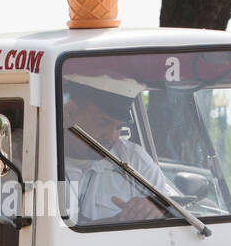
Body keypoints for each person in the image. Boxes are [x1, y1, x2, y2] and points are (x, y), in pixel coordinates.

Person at [62, 81, 176, 224]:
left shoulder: (134, 160)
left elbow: (169, 212)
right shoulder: (37, 157)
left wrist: (156, 209)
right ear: (69, 111)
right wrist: (117, 222)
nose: (111, 136)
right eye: (103, 123)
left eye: (119, 127)